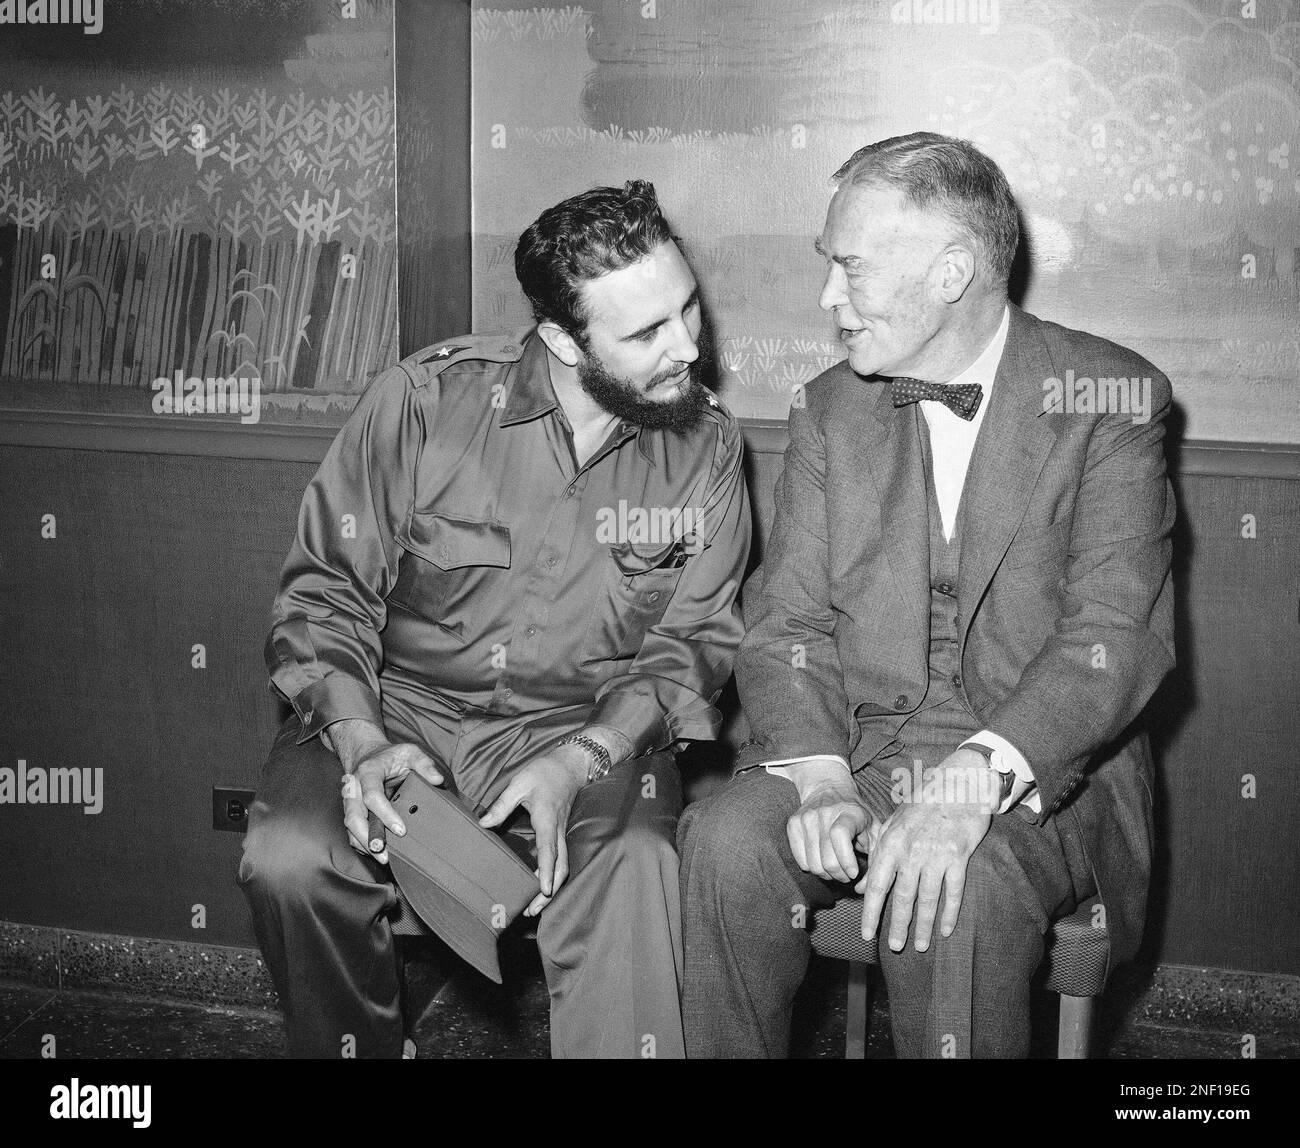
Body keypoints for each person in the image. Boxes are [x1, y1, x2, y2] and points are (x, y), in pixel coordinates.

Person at [678, 132, 1176, 1058]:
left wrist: (978, 778)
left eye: (851, 269)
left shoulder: (1111, 399)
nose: (828, 299)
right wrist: (820, 772)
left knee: (952, 888)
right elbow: (788, 620)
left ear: (951, 273)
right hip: (860, 748)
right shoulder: (829, 407)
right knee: (724, 844)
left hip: (1042, 775)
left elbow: (1116, 639)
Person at [239, 179, 751, 1059]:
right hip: (401, 707)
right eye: (647, 332)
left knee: (634, 869)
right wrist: (361, 745)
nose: (689, 350)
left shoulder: (706, 449)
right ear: (560, 337)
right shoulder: (424, 403)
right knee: (289, 857)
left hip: (586, 727)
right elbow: (325, 591)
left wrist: (580, 756)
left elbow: (692, 646)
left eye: (688, 309)